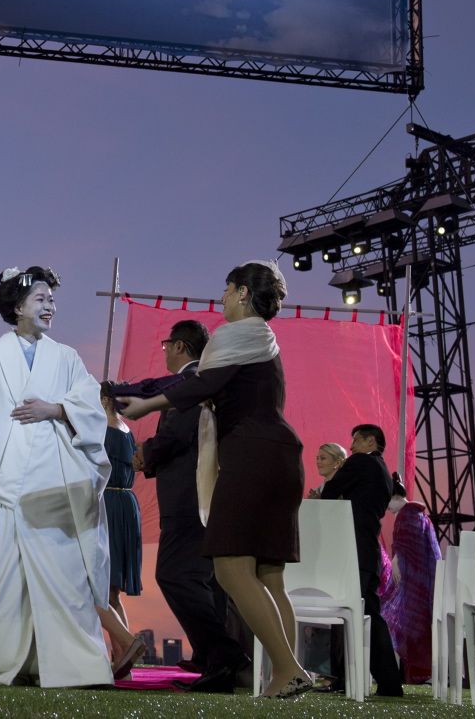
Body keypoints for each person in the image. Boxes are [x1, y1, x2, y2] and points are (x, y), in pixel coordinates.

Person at [118, 261, 313, 699]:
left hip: (251, 456)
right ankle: (286, 673)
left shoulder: (234, 335)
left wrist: (146, 407)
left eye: (227, 290)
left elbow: (202, 385)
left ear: (244, 293)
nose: (222, 297)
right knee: (269, 576)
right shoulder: (265, 340)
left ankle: (288, 669)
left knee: (229, 566)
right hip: (280, 457)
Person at [0, 265, 115, 688]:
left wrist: (55, 409)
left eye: (52, 299)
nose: (50, 305)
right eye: (41, 299)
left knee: (65, 581)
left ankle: (80, 667)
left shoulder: (66, 358)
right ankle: (11, 665)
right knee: (8, 585)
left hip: (53, 490)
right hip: (6, 490)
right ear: (17, 307)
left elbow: (89, 406)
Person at [136, 318, 249, 692]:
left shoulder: (189, 383)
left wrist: (145, 455)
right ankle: (212, 659)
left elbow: (177, 435)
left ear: (181, 346)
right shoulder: (205, 379)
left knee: (173, 574)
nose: (164, 350)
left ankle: (224, 652)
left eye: (168, 344)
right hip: (207, 494)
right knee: (205, 580)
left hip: (190, 495)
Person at [319, 422, 405, 696]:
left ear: (371, 442)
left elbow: (331, 493)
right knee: (368, 613)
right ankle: (384, 681)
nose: (352, 446)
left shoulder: (360, 462)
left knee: (352, 613)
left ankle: (360, 679)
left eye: (356, 440)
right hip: (368, 550)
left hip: (353, 549)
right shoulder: (383, 472)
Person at [97, 386, 146, 676]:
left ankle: (123, 651)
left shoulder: (104, 430)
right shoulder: (127, 430)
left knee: (104, 586)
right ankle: (122, 658)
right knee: (113, 590)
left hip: (110, 506)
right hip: (127, 504)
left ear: (104, 400)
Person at [381, 494, 442, 683]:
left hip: (414, 580)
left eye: (388, 502)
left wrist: (398, 558)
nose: (387, 508)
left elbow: (406, 545)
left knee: (401, 619)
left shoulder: (408, 516)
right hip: (423, 582)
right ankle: (418, 673)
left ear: (397, 496)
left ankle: (416, 672)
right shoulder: (419, 515)